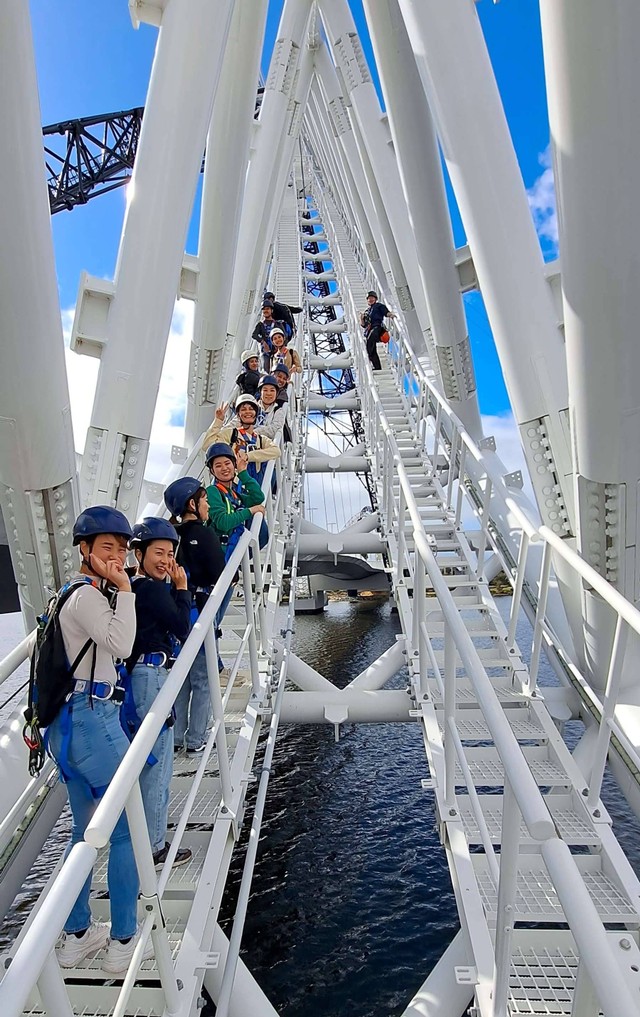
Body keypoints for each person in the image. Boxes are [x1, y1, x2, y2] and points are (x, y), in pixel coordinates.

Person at [50, 506, 152, 975]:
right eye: (106, 547)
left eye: (122, 548)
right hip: (94, 720)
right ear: (85, 551)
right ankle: (122, 942)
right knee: (129, 828)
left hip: (66, 727)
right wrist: (127, 591)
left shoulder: (64, 596)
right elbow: (122, 645)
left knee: (82, 831)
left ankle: (74, 936)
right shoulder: (90, 597)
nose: (116, 556)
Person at [126, 518, 192, 866]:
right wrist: (181, 588)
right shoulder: (151, 589)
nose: (166, 560)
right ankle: (153, 846)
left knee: (146, 761)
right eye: (158, 553)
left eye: (170, 554)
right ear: (138, 553)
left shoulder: (134, 587)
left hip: (141, 676)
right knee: (159, 763)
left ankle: (141, 838)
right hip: (152, 676)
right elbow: (182, 626)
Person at [164, 477, 226, 754]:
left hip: (176, 608)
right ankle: (197, 739)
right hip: (199, 610)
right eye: (204, 500)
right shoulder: (203, 534)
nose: (208, 506)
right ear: (192, 504)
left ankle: (177, 737)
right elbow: (220, 573)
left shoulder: (169, 535)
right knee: (202, 677)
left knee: (181, 676)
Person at [205, 444, 266, 564]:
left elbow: (258, 497)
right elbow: (223, 522)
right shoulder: (212, 491)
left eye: (227, 463)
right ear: (212, 471)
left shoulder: (234, 495)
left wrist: (243, 473)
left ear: (234, 465)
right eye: (218, 465)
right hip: (218, 554)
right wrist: (250, 511)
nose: (224, 468)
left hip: (231, 553)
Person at [202, 396, 281, 487]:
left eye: (251, 409)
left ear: (256, 413)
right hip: (234, 484)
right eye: (243, 409)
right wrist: (218, 421)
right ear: (238, 415)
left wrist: (248, 456)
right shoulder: (231, 434)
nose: (247, 412)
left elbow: (276, 451)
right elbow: (208, 446)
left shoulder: (261, 439)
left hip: (252, 484)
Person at [360, 290, 396, 371]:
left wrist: (391, 315)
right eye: (369, 298)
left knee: (370, 343)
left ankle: (376, 366)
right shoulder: (367, 311)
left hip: (377, 327)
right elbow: (363, 325)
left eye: (372, 298)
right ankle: (377, 367)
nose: (370, 299)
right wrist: (361, 319)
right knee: (370, 349)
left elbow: (385, 312)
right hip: (369, 331)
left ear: (375, 299)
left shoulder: (379, 306)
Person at [252, 299, 290, 370]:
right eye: (264, 309)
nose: (265, 311)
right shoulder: (261, 324)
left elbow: (285, 337)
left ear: (271, 310)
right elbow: (254, 335)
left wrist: (280, 347)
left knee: (278, 369)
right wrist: (263, 342)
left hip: (277, 351)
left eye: (267, 309)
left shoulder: (278, 324)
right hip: (266, 352)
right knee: (266, 369)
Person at [256, 374, 288, 439]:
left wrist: (253, 432)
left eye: (272, 390)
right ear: (260, 392)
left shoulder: (278, 411)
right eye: (265, 390)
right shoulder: (251, 407)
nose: (268, 393)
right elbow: (237, 422)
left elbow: (274, 429)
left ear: (276, 393)